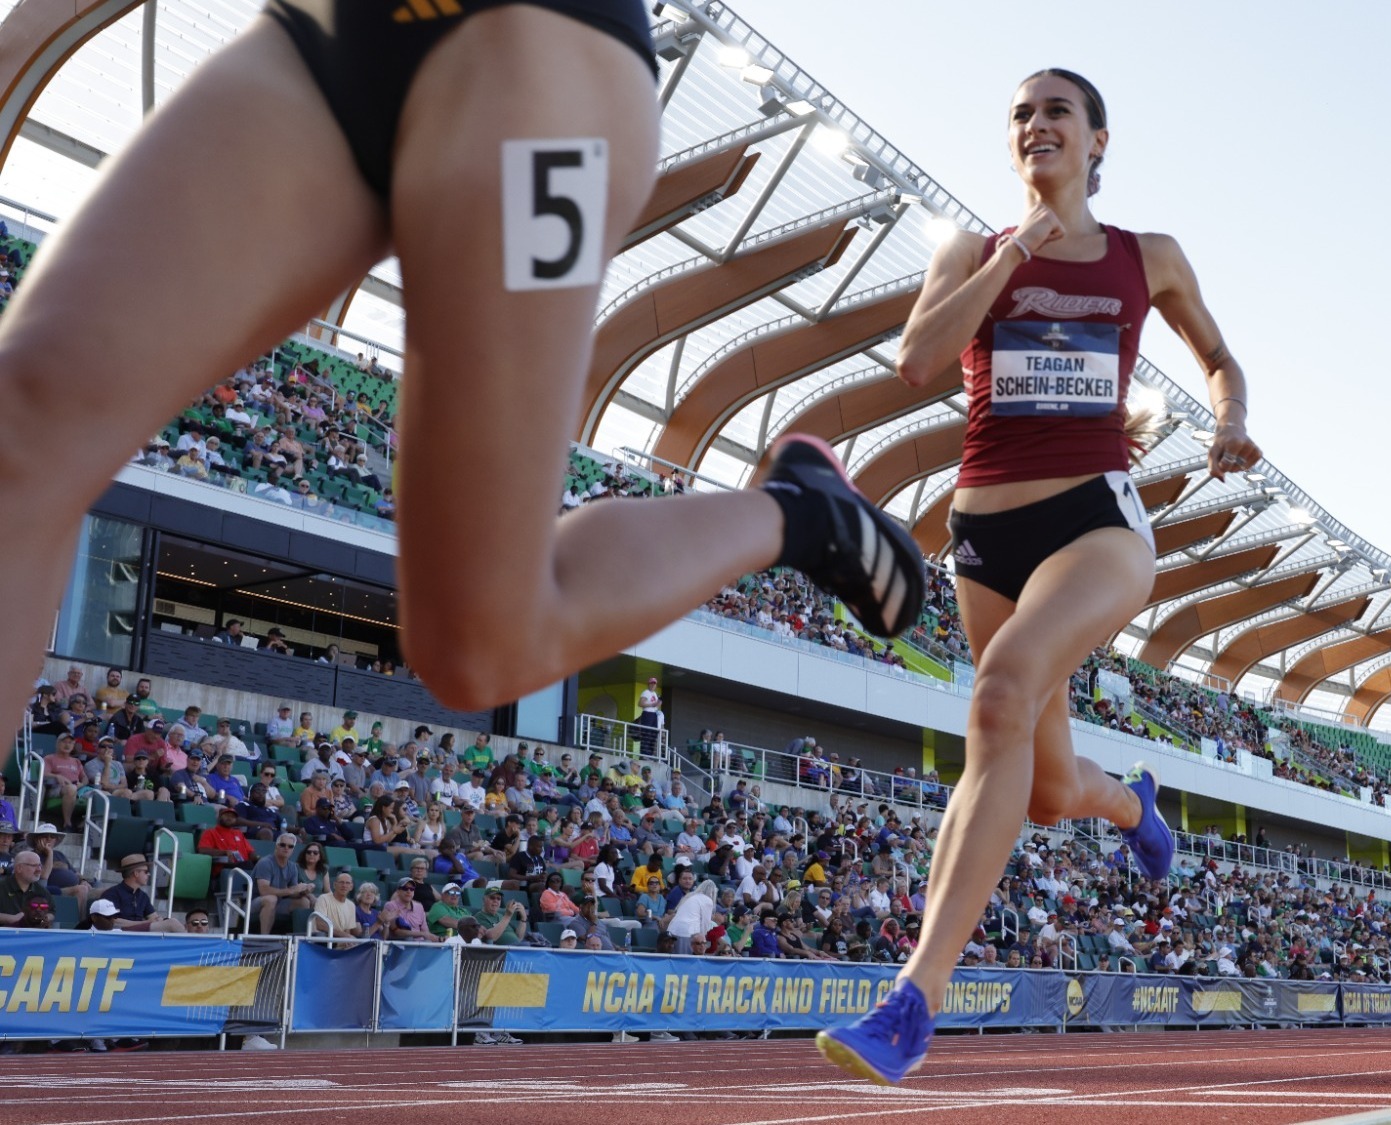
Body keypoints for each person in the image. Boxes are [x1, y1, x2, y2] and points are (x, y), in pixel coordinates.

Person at [0, 0, 925, 787]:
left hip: (535, 61)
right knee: (24, 428)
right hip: (336, 27)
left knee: (479, 648)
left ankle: (797, 515)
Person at [816, 67, 1246, 1086]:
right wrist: (1013, 252)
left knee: (998, 694)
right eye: (1021, 114)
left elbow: (1219, 359)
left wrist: (1230, 419)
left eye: (1057, 111)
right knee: (1048, 789)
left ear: (1098, 141)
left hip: (1095, 518)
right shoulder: (971, 250)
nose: (1036, 124)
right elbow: (917, 359)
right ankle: (1131, 805)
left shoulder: (1148, 255)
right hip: (984, 531)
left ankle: (912, 1002)